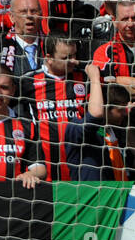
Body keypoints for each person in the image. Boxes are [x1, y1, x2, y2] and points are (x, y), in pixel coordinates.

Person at [17, 34, 88, 182]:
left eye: (74, 55)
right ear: (49, 58)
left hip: (81, 163)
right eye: (66, 57)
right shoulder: (27, 82)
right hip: (45, 167)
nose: (74, 61)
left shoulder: (84, 78)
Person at [0, 0, 44, 77]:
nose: (29, 16)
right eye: (23, 12)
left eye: (34, 11)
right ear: (12, 17)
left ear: (41, 15)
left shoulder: (52, 46)